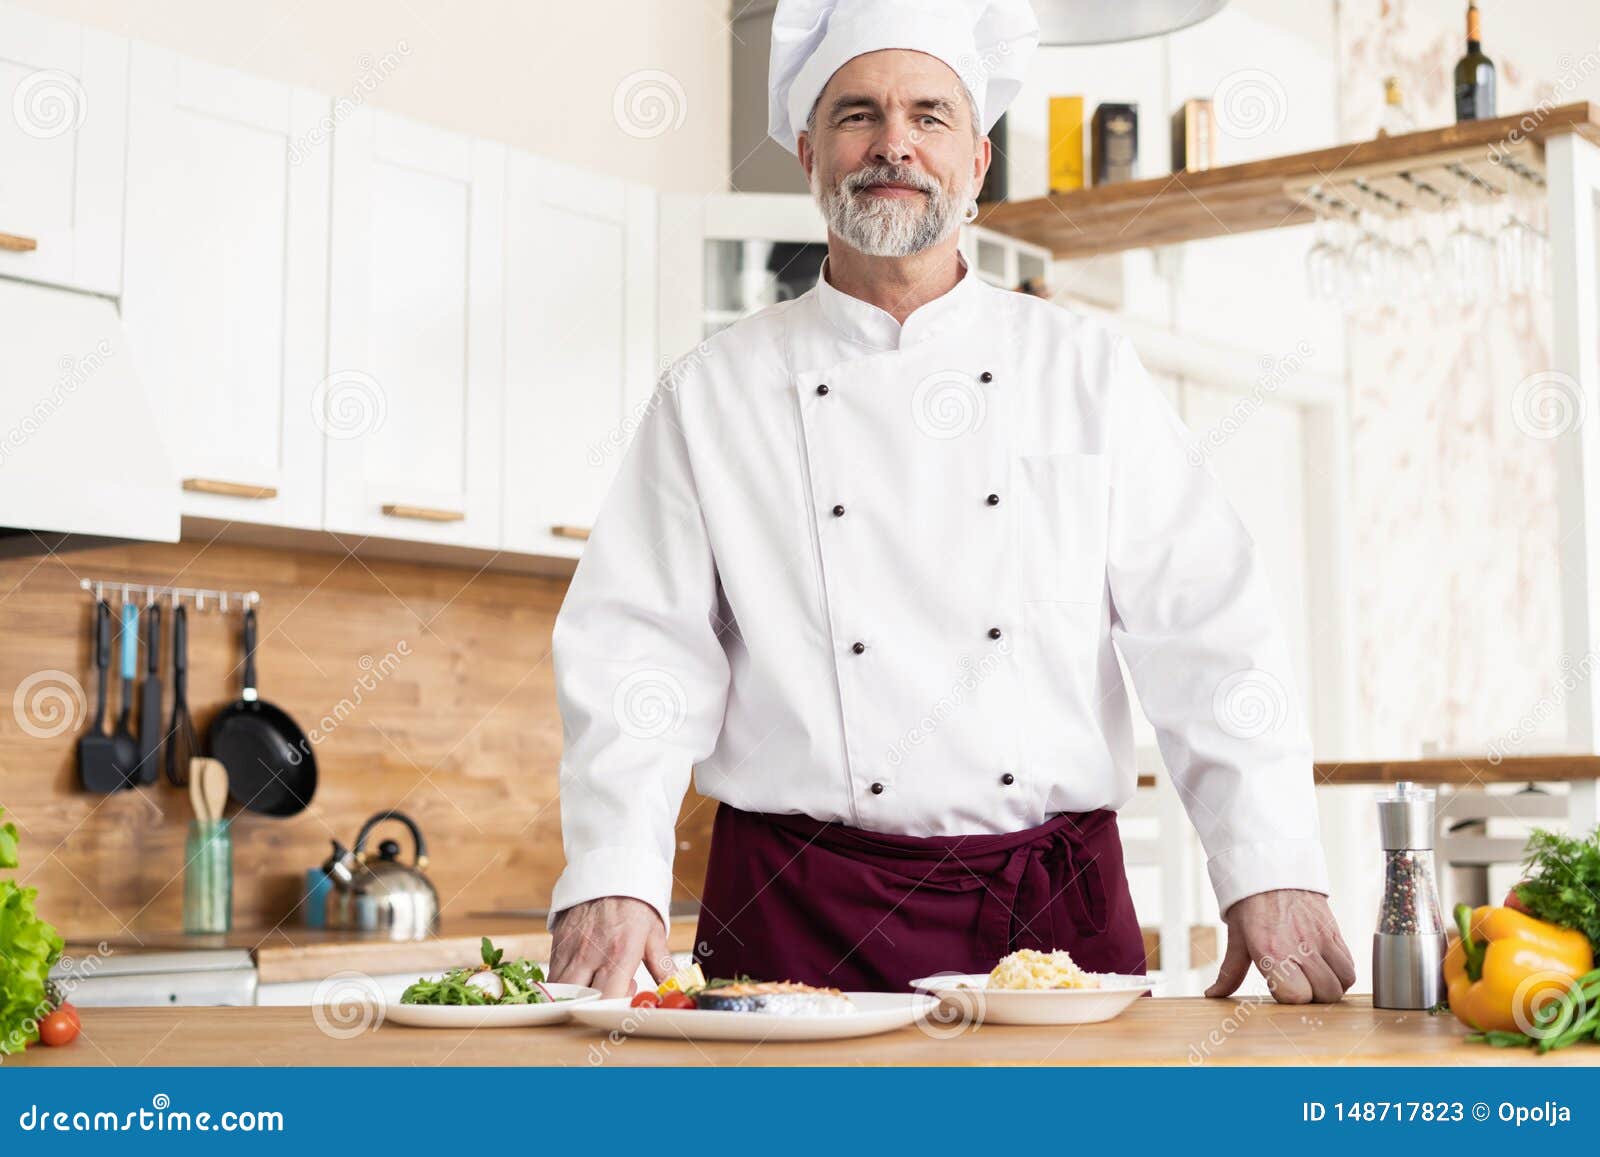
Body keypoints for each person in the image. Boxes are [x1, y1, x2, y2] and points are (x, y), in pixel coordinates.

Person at [547, 0, 1355, 1005]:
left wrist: (1267, 859)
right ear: (807, 151)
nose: (894, 144)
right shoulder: (711, 391)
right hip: (794, 907)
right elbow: (640, 648)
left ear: (976, 159)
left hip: (1048, 914)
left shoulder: (1085, 368)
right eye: (857, 114)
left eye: (929, 115)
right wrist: (614, 869)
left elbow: (1206, 630)